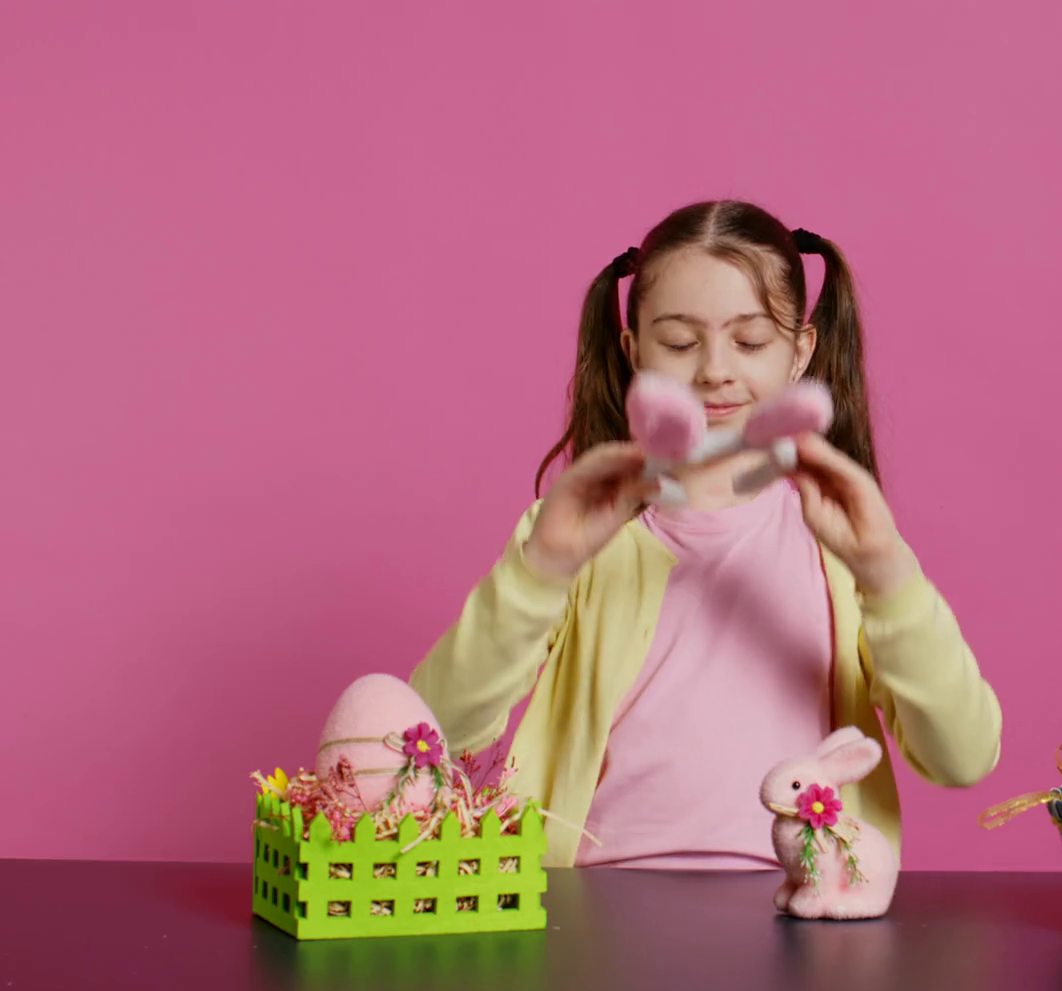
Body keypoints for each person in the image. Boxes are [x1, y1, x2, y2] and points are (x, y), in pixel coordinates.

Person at [345, 199, 1001, 869]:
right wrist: (539, 571)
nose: (715, 370)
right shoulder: (574, 535)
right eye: (681, 342)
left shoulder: (853, 549)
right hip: (598, 916)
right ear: (634, 352)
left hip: (809, 906)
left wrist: (888, 577)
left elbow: (962, 756)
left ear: (800, 352)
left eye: (749, 341)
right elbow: (430, 736)